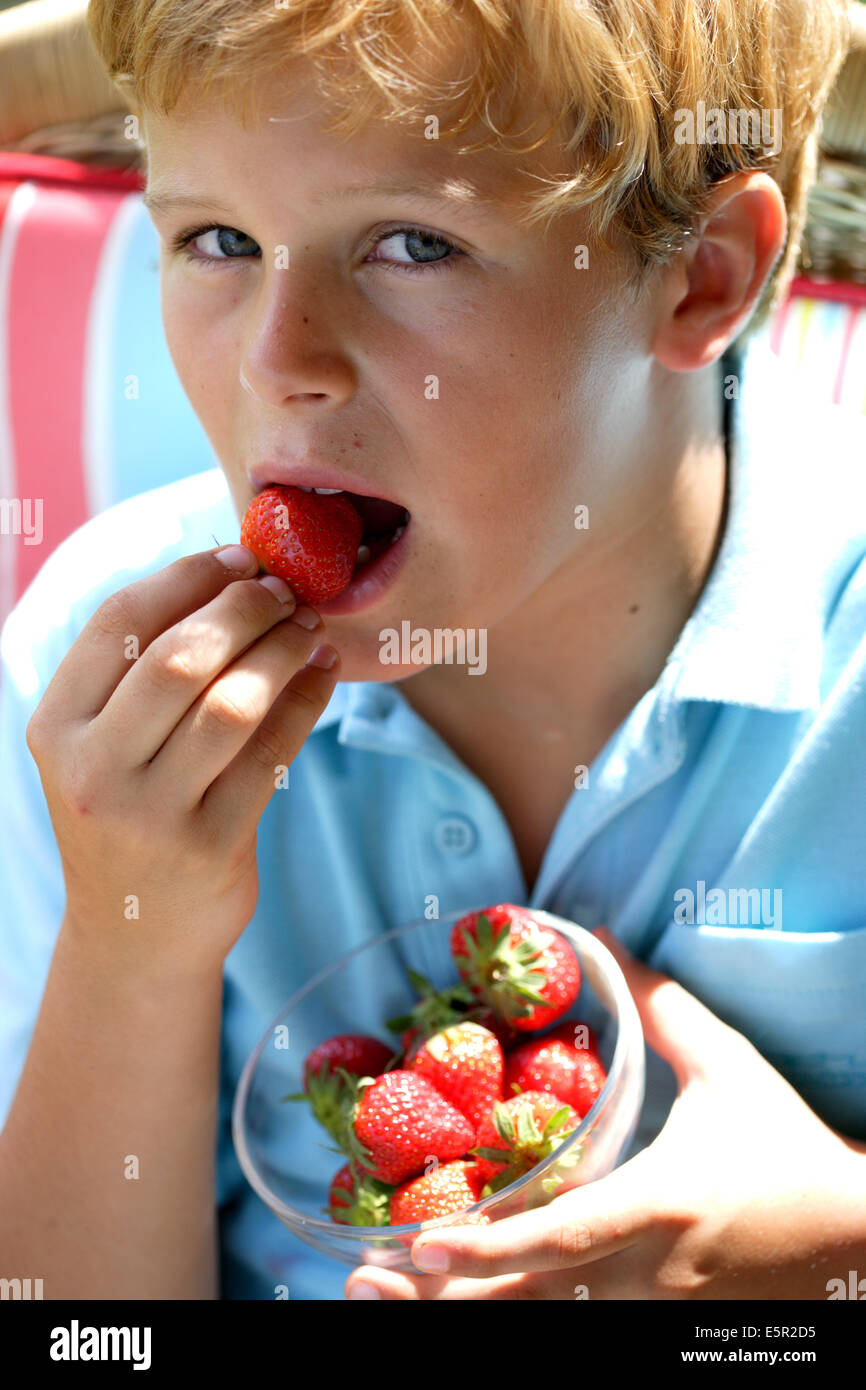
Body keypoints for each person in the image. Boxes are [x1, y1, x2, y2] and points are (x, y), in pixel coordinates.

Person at [0, 0, 864, 1301]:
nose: (276, 362)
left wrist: (837, 1243)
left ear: (703, 277)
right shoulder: (92, 676)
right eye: (218, 238)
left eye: (413, 244)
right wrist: (134, 939)